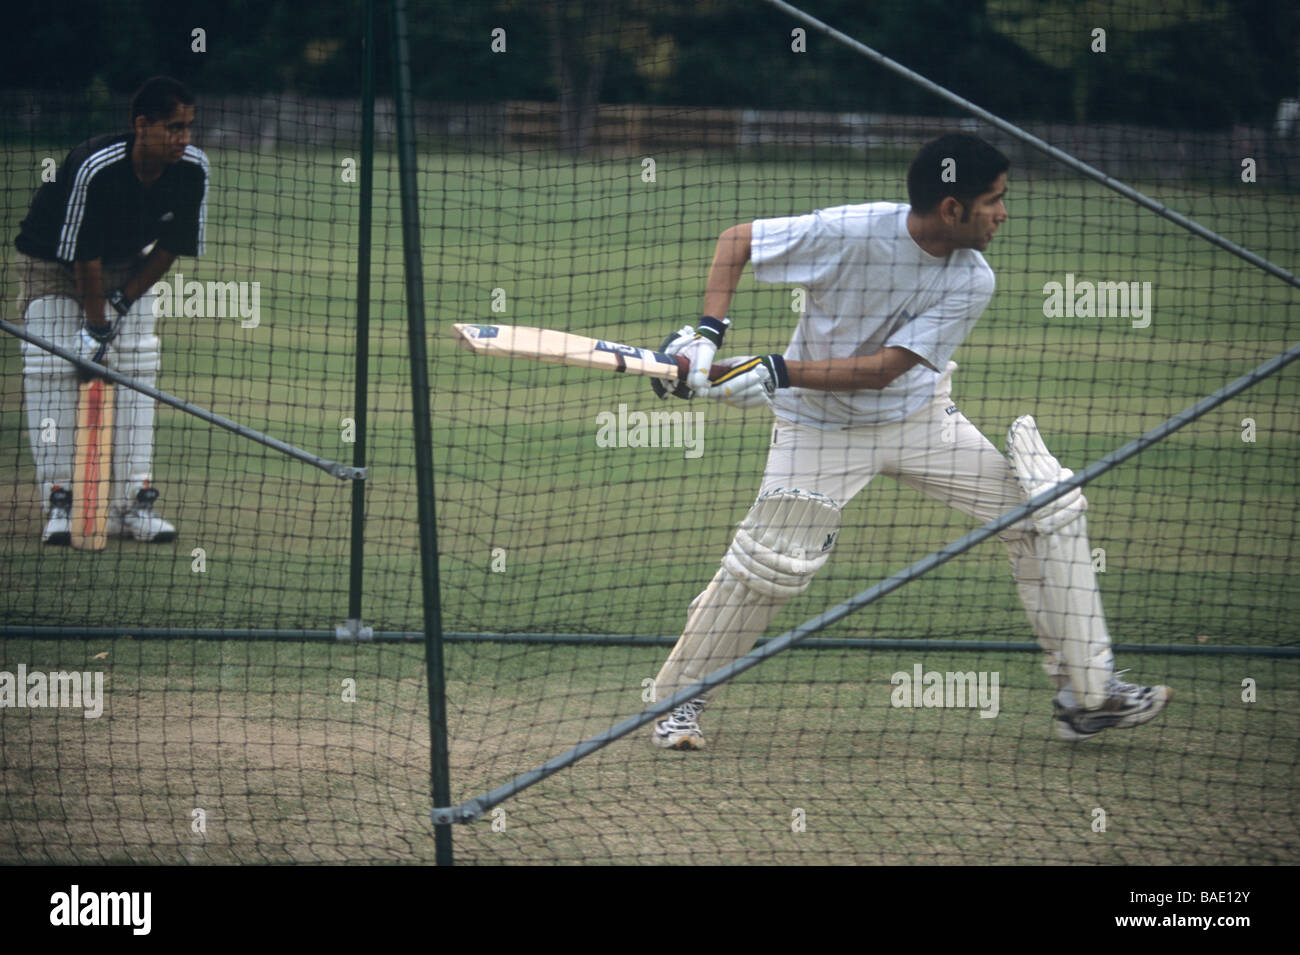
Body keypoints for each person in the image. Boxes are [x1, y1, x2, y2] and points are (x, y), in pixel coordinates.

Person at [650, 133, 1169, 749]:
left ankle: (1085, 694)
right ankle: (677, 702)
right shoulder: (849, 231)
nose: (1004, 213)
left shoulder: (973, 279)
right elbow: (738, 241)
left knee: (1041, 519)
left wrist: (771, 370)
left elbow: (883, 371)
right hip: (819, 429)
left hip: (922, 422)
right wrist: (709, 339)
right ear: (952, 209)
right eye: (994, 201)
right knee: (767, 569)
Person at [14, 76, 208, 544]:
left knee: (136, 364)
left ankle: (131, 503)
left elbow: (170, 247)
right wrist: (96, 327)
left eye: (188, 127)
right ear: (142, 125)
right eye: (173, 127)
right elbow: (84, 255)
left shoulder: (193, 169)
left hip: (127, 265)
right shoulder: (96, 165)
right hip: (52, 261)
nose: (183, 138)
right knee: (55, 365)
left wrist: (120, 305)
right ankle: (60, 501)